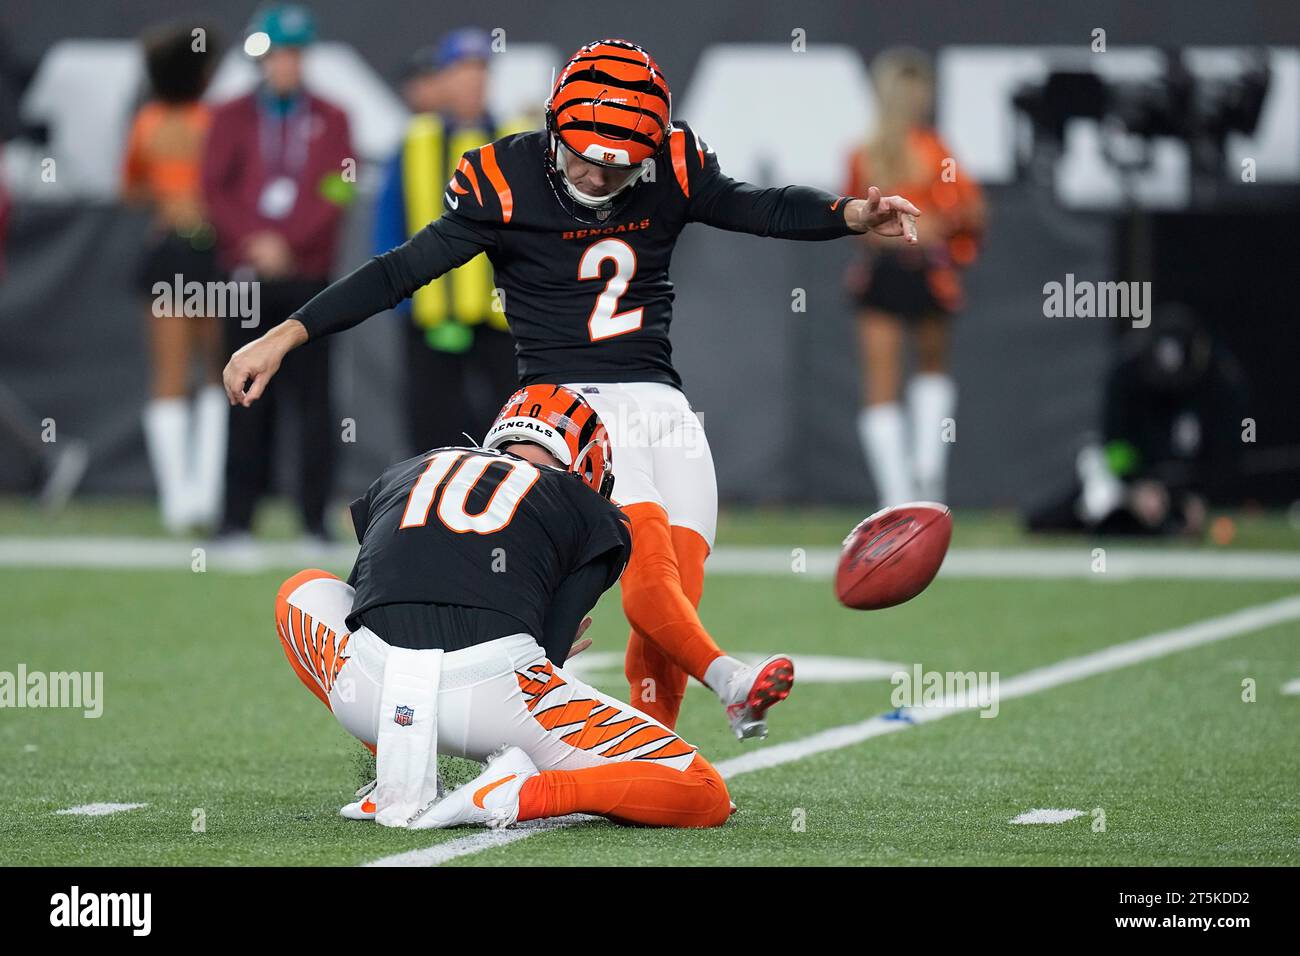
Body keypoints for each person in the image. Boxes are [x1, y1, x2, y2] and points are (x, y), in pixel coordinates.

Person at [226, 39, 919, 741]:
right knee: (648, 561)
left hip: (660, 401)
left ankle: (655, 746)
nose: (595, 174)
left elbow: (758, 206)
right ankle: (728, 679)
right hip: (564, 411)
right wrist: (286, 334)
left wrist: (849, 216)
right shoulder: (504, 175)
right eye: (584, 154)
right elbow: (399, 271)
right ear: (555, 126)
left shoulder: (674, 163)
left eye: (616, 165)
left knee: (677, 586)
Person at [275, 385, 732, 829]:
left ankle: (398, 770)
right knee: (703, 789)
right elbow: (549, 651)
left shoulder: (410, 469)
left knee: (301, 589)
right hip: (494, 698)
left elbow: (364, 597)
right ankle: (525, 792)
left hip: (373, 690)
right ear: (587, 461)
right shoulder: (590, 507)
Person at [202, 4, 353, 542]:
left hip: (306, 277)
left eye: (293, 53)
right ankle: (236, 519)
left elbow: (339, 189)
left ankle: (313, 518)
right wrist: (256, 241)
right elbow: (213, 189)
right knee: (243, 393)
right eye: (276, 54)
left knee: (315, 402)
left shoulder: (333, 117)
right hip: (247, 275)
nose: (285, 64)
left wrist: (288, 242)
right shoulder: (230, 116)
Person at [845, 48, 984, 506]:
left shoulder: (864, 154)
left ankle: (901, 495)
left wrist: (923, 229)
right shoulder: (930, 151)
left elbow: (853, 217)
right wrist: (932, 229)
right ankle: (924, 477)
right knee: (928, 373)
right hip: (921, 271)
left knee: (884, 389)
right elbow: (970, 211)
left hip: (890, 273)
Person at [374, 29, 523, 453]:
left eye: (479, 70)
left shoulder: (516, 138)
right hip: (433, 312)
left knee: (511, 422)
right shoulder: (415, 142)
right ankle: (434, 510)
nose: (471, 81)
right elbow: (388, 225)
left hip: (501, 316)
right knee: (433, 423)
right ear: (442, 79)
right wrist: (403, 299)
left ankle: (512, 510)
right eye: (461, 70)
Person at [122, 21, 225, 532]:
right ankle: (206, 495)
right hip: (210, 251)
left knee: (168, 376)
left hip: (166, 250)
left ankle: (178, 503)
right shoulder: (215, 121)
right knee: (218, 371)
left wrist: (169, 196)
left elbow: (132, 189)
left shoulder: (147, 124)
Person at [1025, 307, 1248, 537]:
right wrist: (1136, 486)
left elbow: (1225, 453)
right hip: (1125, 476)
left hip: (1182, 483)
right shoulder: (1126, 373)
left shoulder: (1223, 382)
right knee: (1099, 508)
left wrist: (1199, 496)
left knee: (1169, 527)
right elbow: (1114, 444)